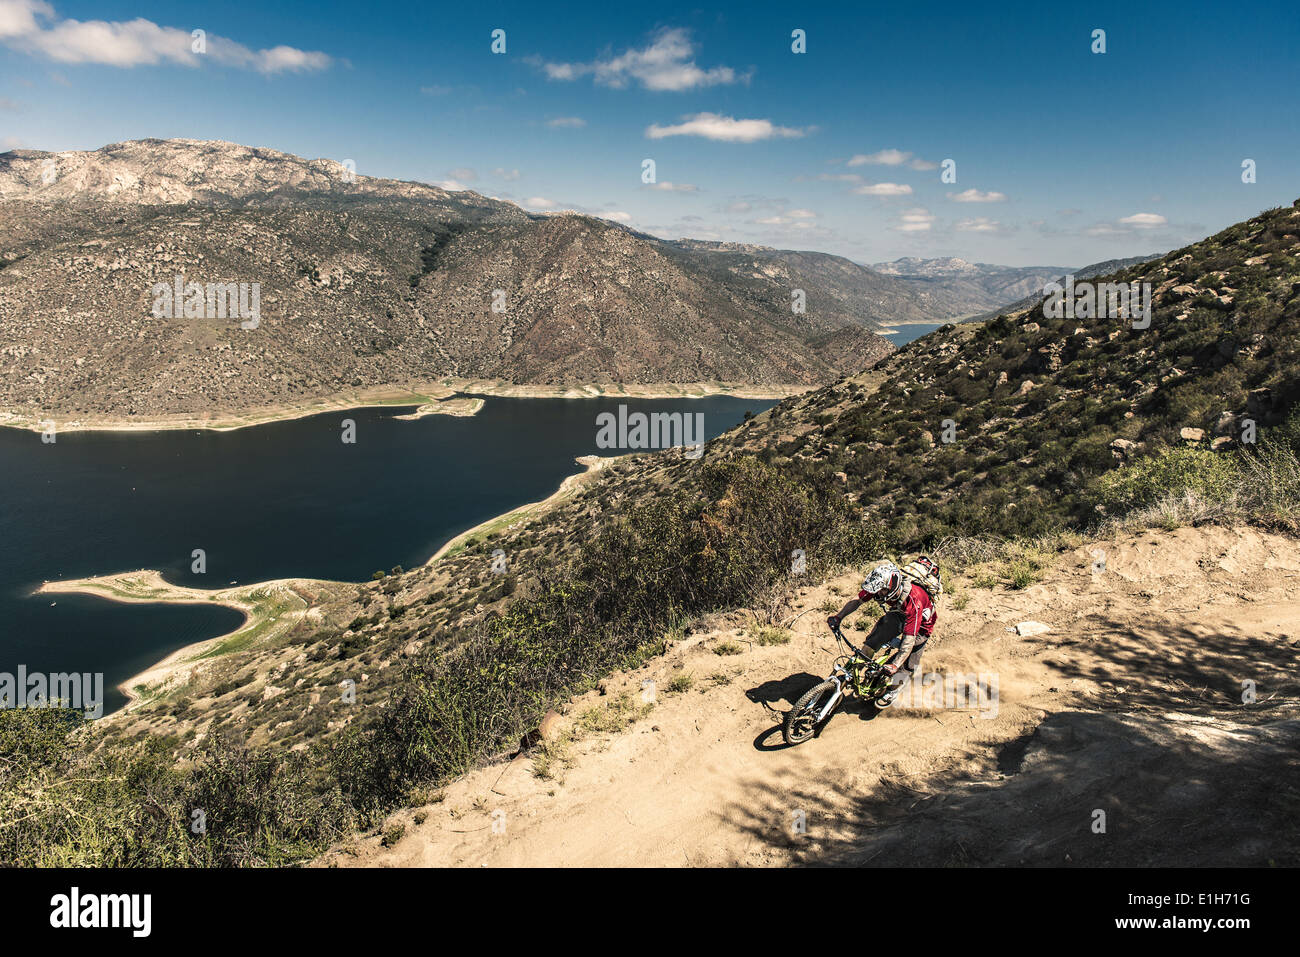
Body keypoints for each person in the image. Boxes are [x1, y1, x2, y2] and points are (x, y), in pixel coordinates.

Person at [826, 560, 938, 708]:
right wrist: (838, 617)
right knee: (871, 643)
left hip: (921, 626)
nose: (878, 594)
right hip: (898, 614)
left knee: (907, 664)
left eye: (881, 591)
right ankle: (850, 674)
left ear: (892, 586)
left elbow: (909, 640)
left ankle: (893, 690)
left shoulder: (913, 601)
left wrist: (895, 665)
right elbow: (857, 600)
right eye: (877, 590)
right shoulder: (881, 585)